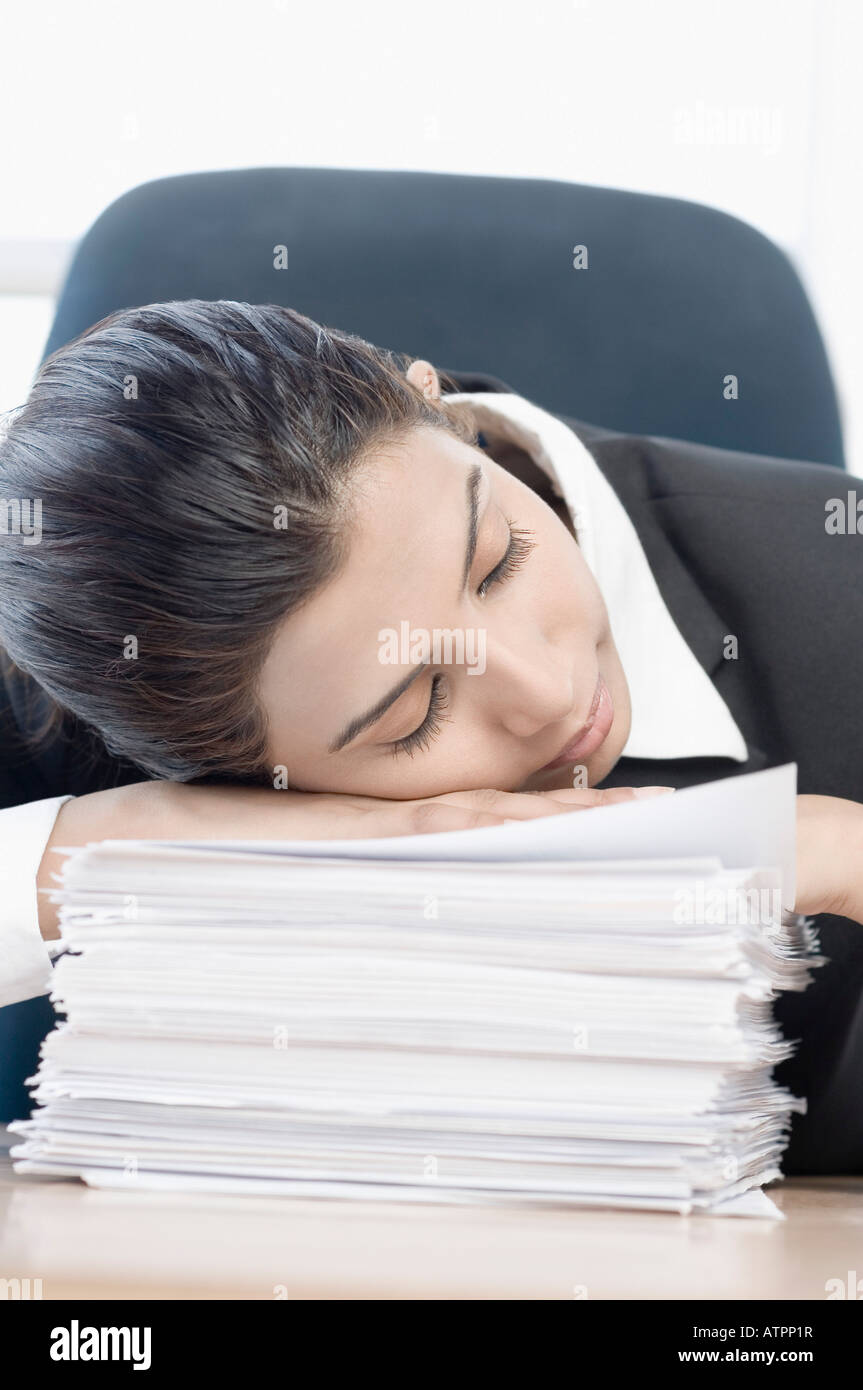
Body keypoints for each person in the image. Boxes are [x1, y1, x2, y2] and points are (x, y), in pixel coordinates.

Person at [1, 299, 861, 1173]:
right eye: (414, 712)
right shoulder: (82, 672)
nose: (547, 691)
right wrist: (124, 842)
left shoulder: (840, 570)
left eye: (500, 563)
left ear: (438, 405)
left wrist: (840, 850)